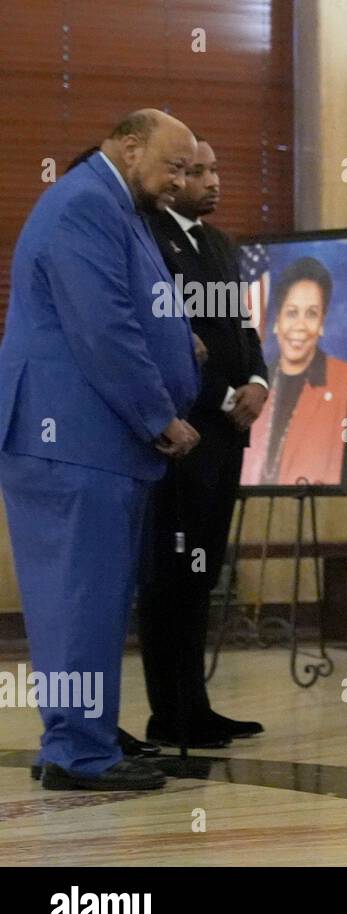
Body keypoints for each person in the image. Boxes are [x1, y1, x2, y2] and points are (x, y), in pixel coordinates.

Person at [0, 109, 202, 791]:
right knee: (79, 599)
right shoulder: (87, 203)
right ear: (127, 144)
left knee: (91, 599)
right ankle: (78, 754)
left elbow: (129, 308)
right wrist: (159, 417)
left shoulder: (111, 204)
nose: (180, 181)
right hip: (73, 438)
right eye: (172, 165)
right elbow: (103, 329)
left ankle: (80, 733)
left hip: (91, 442)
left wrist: (183, 344)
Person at [139, 137, 268, 748]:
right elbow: (171, 335)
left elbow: (241, 325)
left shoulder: (218, 243)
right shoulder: (149, 234)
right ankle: (170, 713)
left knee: (204, 570)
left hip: (228, 432)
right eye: (197, 171)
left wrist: (259, 381)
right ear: (172, 177)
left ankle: (198, 705)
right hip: (184, 428)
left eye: (216, 168)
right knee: (171, 571)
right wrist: (222, 394)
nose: (212, 180)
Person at [241, 257, 347, 487]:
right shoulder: (255, 384)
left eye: (311, 314)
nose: (300, 326)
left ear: (322, 322)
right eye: (291, 313)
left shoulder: (344, 381)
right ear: (276, 321)